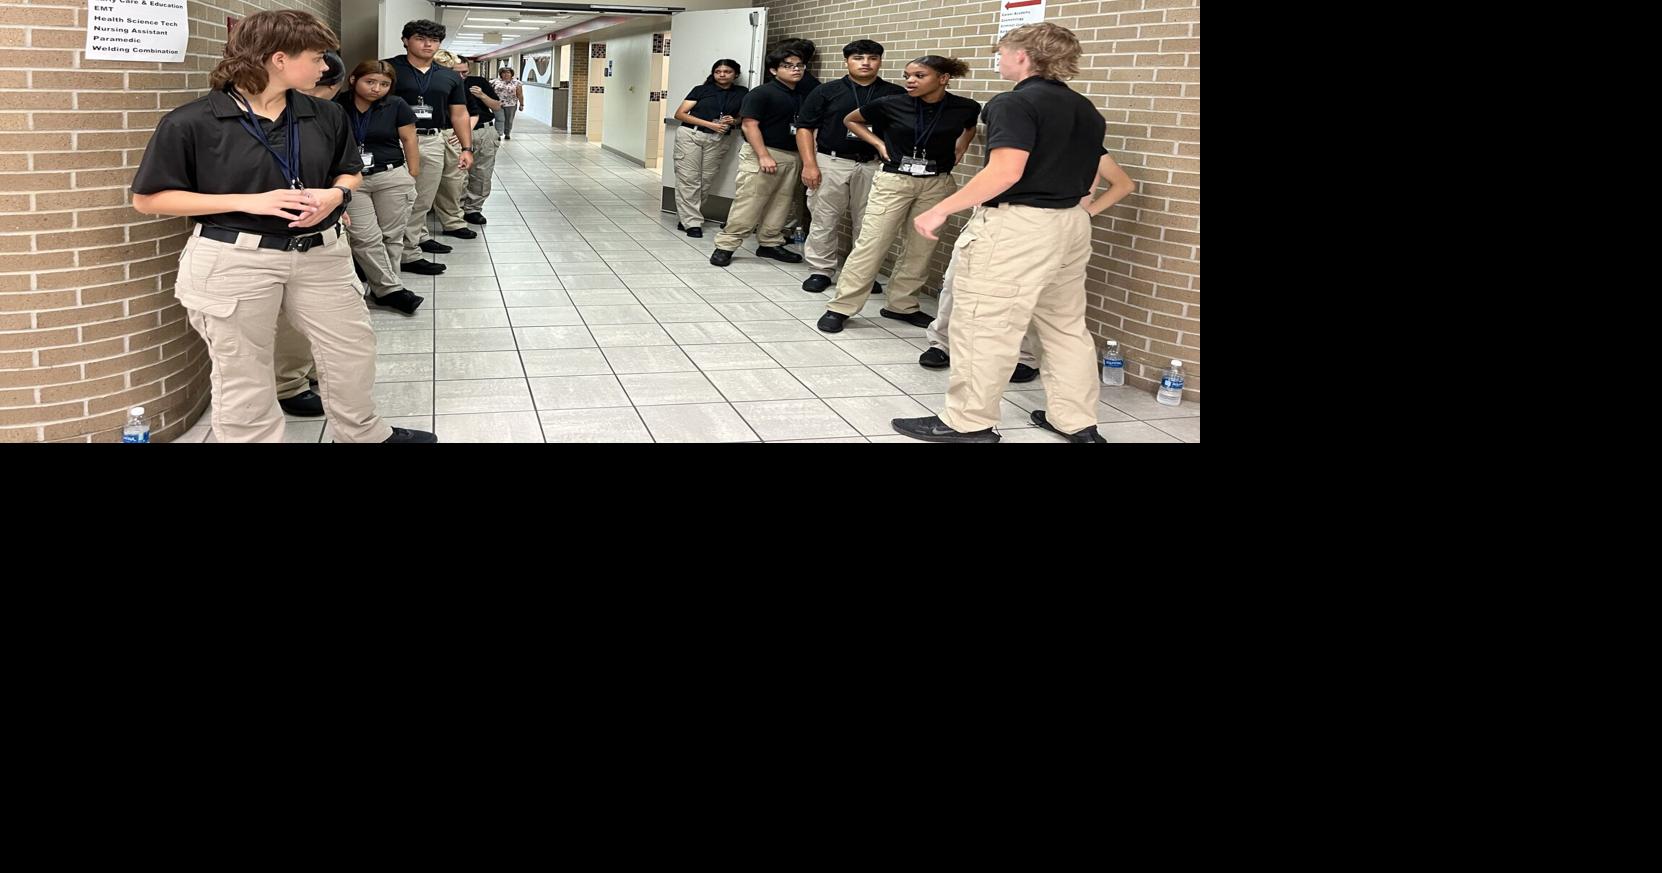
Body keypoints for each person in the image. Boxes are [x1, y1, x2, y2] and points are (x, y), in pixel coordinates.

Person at [129, 9, 436, 443]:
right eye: (316, 56)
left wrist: (337, 194)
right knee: (243, 369)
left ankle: (363, 434)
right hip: (235, 257)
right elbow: (149, 199)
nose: (326, 67)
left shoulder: (324, 114)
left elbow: (349, 172)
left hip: (322, 254)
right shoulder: (192, 121)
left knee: (351, 351)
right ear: (278, 59)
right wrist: (252, 201)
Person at [893, 23, 1124, 444]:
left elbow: (1005, 171)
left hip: (1020, 227)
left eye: (1002, 51)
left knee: (985, 324)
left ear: (1023, 55)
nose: (997, 59)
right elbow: (1089, 176)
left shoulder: (1012, 104)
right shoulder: (1085, 108)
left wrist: (940, 210)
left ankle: (968, 423)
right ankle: (1076, 422)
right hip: (1071, 224)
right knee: (1065, 327)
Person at [815, 56, 979, 334]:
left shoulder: (965, 107)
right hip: (894, 181)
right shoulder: (890, 103)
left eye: (919, 76)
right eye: (907, 76)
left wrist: (960, 149)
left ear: (943, 78)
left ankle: (901, 305)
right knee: (873, 242)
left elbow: (970, 127)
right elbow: (851, 120)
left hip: (936, 183)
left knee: (920, 247)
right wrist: (878, 143)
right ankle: (841, 307)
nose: (910, 81)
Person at [794, 39, 904, 295]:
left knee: (869, 222)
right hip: (831, 162)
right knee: (824, 217)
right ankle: (820, 270)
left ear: (880, 61)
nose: (865, 63)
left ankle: (861, 273)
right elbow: (804, 129)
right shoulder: (826, 91)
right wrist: (809, 164)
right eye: (858, 58)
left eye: (872, 58)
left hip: (874, 165)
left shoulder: (895, 93)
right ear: (847, 61)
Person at [384, 19, 472, 276]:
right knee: (395, 199)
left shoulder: (448, 76)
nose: (428, 44)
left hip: (432, 139)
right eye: (421, 38)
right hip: (394, 140)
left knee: (422, 200)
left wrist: (467, 148)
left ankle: (409, 253)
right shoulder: (389, 68)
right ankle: (391, 253)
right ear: (406, 40)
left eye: (433, 40)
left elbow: (459, 113)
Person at [708, 47, 808, 267]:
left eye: (799, 65)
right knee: (750, 201)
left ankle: (770, 243)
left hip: (791, 156)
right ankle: (726, 245)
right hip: (763, 153)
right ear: (773, 70)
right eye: (788, 65)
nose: (795, 69)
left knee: (781, 203)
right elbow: (749, 124)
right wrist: (763, 155)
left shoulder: (801, 94)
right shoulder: (762, 93)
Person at [340, 59, 425, 315]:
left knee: (391, 236)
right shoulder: (336, 105)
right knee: (365, 237)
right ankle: (391, 290)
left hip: (390, 176)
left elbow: (409, 139)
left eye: (384, 84)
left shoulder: (396, 105)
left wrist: (412, 174)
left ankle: (386, 288)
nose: (376, 88)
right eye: (370, 82)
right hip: (352, 179)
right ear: (354, 80)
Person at [671, 59, 747, 239]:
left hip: (718, 139)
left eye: (727, 71)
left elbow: (743, 117)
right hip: (691, 136)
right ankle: (692, 222)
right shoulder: (701, 90)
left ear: (735, 74)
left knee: (705, 180)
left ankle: (687, 217)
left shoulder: (742, 93)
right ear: (713, 74)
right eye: (718, 71)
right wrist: (709, 124)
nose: (722, 74)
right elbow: (680, 114)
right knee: (689, 180)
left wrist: (734, 121)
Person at [449, 54, 501, 226]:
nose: (461, 77)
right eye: (457, 73)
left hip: (483, 131)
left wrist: (482, 96)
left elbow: (496, 106)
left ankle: (473, 209)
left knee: (482, 173)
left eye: (464, 72)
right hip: (455, 133)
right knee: (456, 174)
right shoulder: (444, 83)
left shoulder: (478, 82)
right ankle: (453, 208)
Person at [493, 65, 521, 140]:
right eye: (504, 73)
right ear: (501, 74)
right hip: (497, 104)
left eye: (508, 72)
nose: (506, 74)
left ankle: (507, 133)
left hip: (511, 104)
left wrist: (522, 104)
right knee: (499, 118)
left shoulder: (516, 83)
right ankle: (498, 134)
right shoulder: (495, 82)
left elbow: (520, 94)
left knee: (509, 120)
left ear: (511, 74)